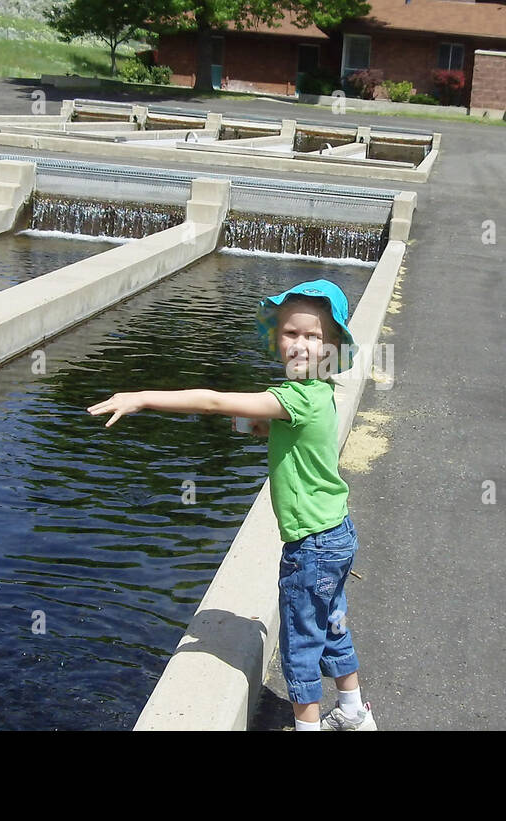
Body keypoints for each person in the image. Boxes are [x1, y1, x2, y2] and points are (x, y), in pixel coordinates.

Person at [87, 280, 376, 731]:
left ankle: (308, 726)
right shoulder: (319, 393)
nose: (300, 345)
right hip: (337, 534)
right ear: (276, 337)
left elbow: (215, 401)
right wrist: (261, 430)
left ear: (333, 345)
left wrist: (142, 397)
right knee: (332, 621)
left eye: (313, 336)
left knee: (300, 640)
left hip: (311, 546)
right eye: (290, 333)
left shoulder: (294, 397)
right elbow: (283, 431)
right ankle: (355, 711)